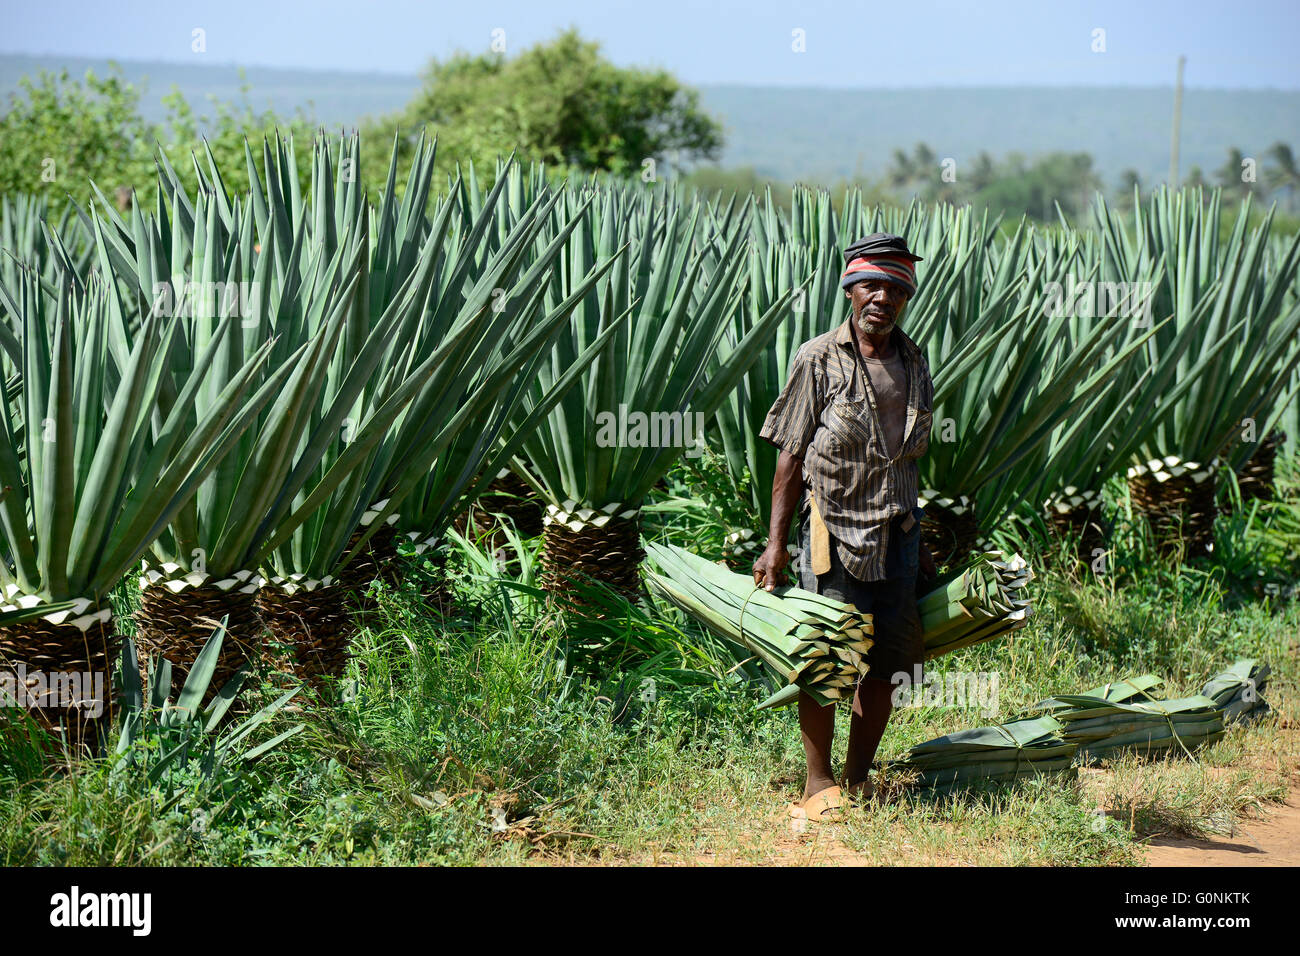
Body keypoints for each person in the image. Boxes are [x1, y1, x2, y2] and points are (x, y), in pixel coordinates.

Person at [753, 232, 936, 820]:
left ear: (906, 296)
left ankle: (859, 778)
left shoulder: (914, 359)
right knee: (828, 661)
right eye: (871, 285)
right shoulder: (817, 358)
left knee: (890, 663)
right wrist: (776, 543)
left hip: (898, 534)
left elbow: (910, 456)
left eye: (894, 288)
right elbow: (788, 453)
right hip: (833, 533)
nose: (881, 297)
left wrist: (921, 535)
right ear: (851, 290)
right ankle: (817, 781)